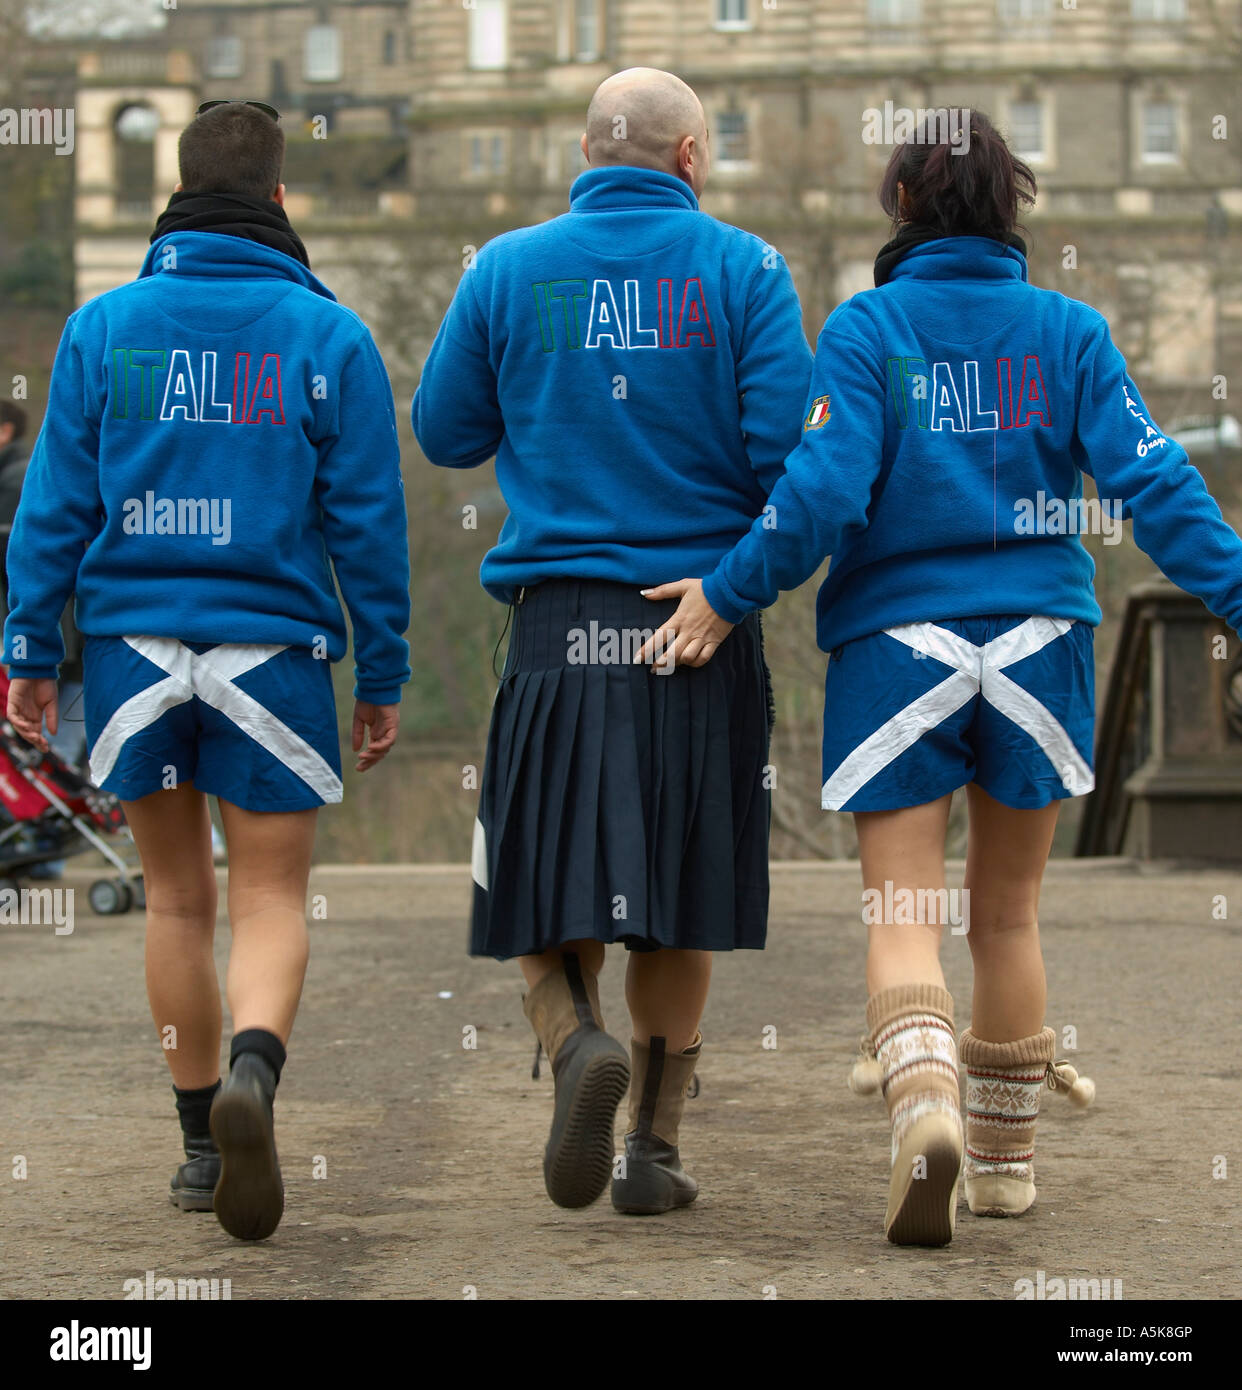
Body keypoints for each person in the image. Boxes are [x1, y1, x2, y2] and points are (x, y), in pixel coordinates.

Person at [639, 109, 1242, 1246]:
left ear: (903, 206)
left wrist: (726, 592)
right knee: (1007, 918)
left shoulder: (869, 330)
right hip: (1039, 639)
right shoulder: (1071, 332)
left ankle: (925, 1114)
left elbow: (818, 494)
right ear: (1011, 209)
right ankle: (1006, 1168)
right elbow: (1157, 489)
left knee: (905, 909)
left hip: (896, 646)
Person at [3, 101, 411, 1241]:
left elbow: (52, 511)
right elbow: (368, 525)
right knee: (273, 894)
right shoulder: (328, 338)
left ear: (173, 198)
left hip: (132, 652)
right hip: (276, 652)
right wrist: (383, 670)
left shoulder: (100, 329)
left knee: (177, 901)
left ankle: (196, 1148)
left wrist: (31, 649)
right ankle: (255, 1074)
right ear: (280, 200)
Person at [414, 68, 812, 1215]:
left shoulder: (506, 267)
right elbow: (788, 453)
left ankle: (573, 1033)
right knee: (679, 895)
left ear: (585, 152)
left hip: (557, 624)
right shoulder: (745, 269)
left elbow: (444, 431)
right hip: (697, 619)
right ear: (691, 156)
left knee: (534, 867)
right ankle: (654, 1148)